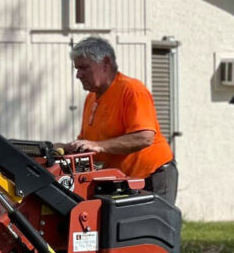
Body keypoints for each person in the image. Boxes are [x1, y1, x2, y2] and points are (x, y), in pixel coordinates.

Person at [58, 37, 178, 204]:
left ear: (106, 63)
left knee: (151, 229)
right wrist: (66, 148)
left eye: (84, 68)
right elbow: (89, 143)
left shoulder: (131, 90)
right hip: (122, 181)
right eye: (77, 69)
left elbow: (144, 137)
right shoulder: (91, 99)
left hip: (151, 177)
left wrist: (98, 146)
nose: (78, 75)